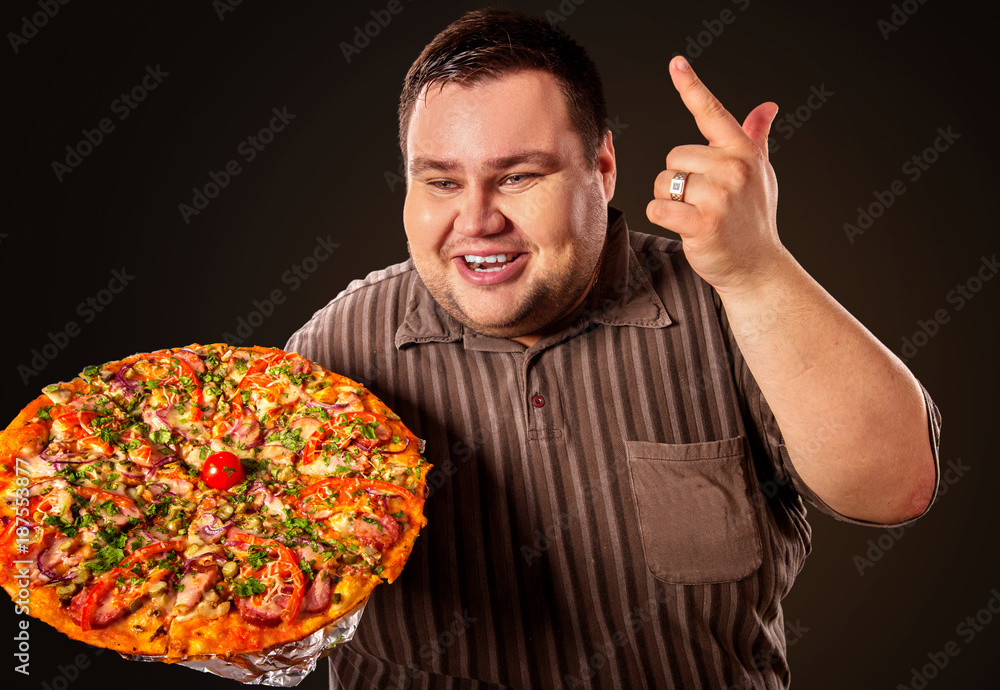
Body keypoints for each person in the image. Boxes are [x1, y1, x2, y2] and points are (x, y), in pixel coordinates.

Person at [286, 9, 941, 689]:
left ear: (600, 169)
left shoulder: (732, 302)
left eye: (518, 176)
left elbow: (895, 488)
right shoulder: (337, 348)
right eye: (442, 182)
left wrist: (756, 269)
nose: (476, 220)